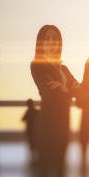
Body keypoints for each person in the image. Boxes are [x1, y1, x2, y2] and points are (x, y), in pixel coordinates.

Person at [30, 25, 80, 169]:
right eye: (48, 38)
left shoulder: (63, 69)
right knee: (46, 168)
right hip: (48, 121)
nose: (52, 42)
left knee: (60, 166)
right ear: (41, 43)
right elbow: (49, 94)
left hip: (64, 121)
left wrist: (63, 88)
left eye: (55, 39)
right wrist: (69, 89)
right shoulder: (37, 65)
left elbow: (79, 89)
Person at [21, 99, 40, 164]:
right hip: (36, 129)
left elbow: (23, 119)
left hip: (30, 129)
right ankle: (37, 157)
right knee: (36, 143)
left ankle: (33, 157)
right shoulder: (36, 111)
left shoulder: (28, 111)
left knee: (31, 143)